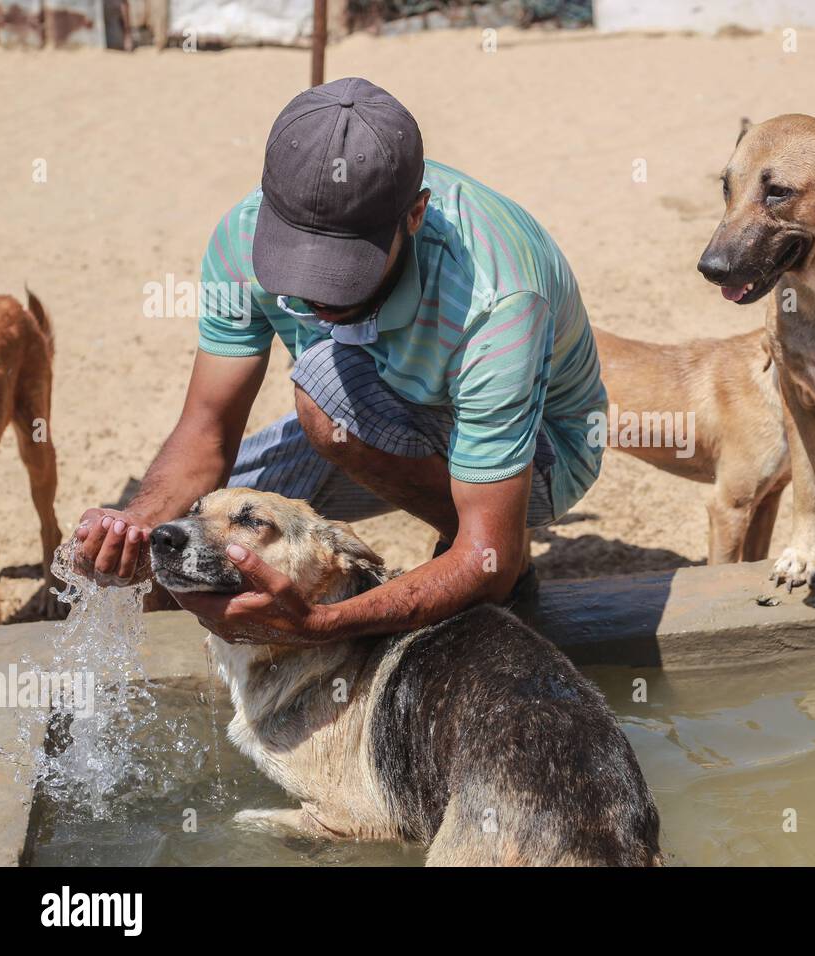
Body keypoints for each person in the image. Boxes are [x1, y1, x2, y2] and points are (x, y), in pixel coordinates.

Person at [73, 77, 607, 644]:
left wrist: (322, 624)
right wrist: (136, 522)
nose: (318, 297)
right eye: (297, 267)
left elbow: (488, 548)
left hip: (543, 458)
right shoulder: (240, 235)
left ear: (415, 215)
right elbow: (206, 430)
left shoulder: (496, 298)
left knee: (326, 390)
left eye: (344, 271)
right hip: (362, 409)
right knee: (178, 546)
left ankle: (501, 577)